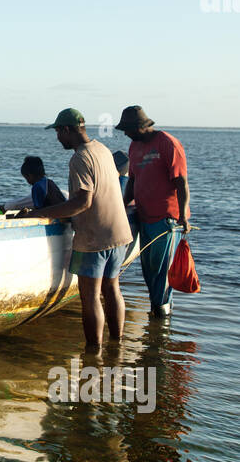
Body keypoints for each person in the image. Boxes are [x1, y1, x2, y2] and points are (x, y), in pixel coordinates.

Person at [22, 108, 132, 350]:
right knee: (112, 288)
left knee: (90, 295)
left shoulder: (80, 158)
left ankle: (94, 351)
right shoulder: (102, 149)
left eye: (59, 133)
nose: (58, 138)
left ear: (67, 130)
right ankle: (117, 344)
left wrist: (40, 213)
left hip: (95, 238)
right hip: (120, 233)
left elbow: (83, 201)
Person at [115, 105, 190, 318]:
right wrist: (121, 205)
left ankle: (161, 319)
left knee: (162, 272)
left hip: (166, 219)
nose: (125, 133)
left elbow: (181, 182)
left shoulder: (167, 143)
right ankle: (155, 317)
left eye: (127, 129)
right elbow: (133, 181)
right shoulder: (134, 147)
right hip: (143, 216)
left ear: (140, 127)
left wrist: (183, 216)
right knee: (149, 271)